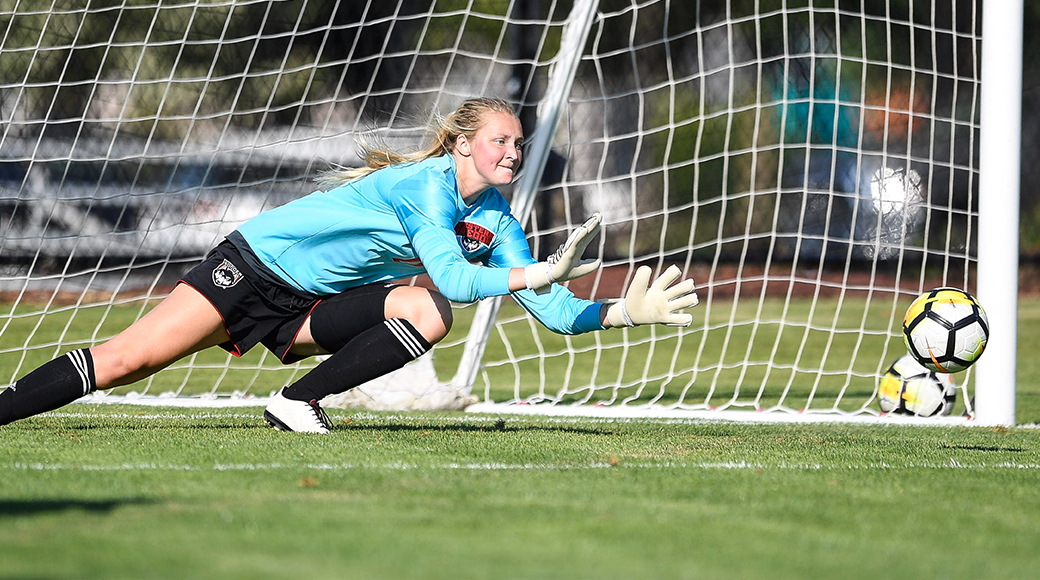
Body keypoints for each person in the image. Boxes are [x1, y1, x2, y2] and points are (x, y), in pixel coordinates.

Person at [0, 97, 699, 433]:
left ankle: (296, 401)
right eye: (500, 142)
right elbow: (461, 277)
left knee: (427, 313)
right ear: (460, 144)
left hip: (304, 308)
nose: (513, 154)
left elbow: (547, 311)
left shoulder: (496, 222)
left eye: (518, 144)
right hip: (254, 267)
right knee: (127, 362)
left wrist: (618, 312)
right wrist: (536, 273)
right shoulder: (424, 187)